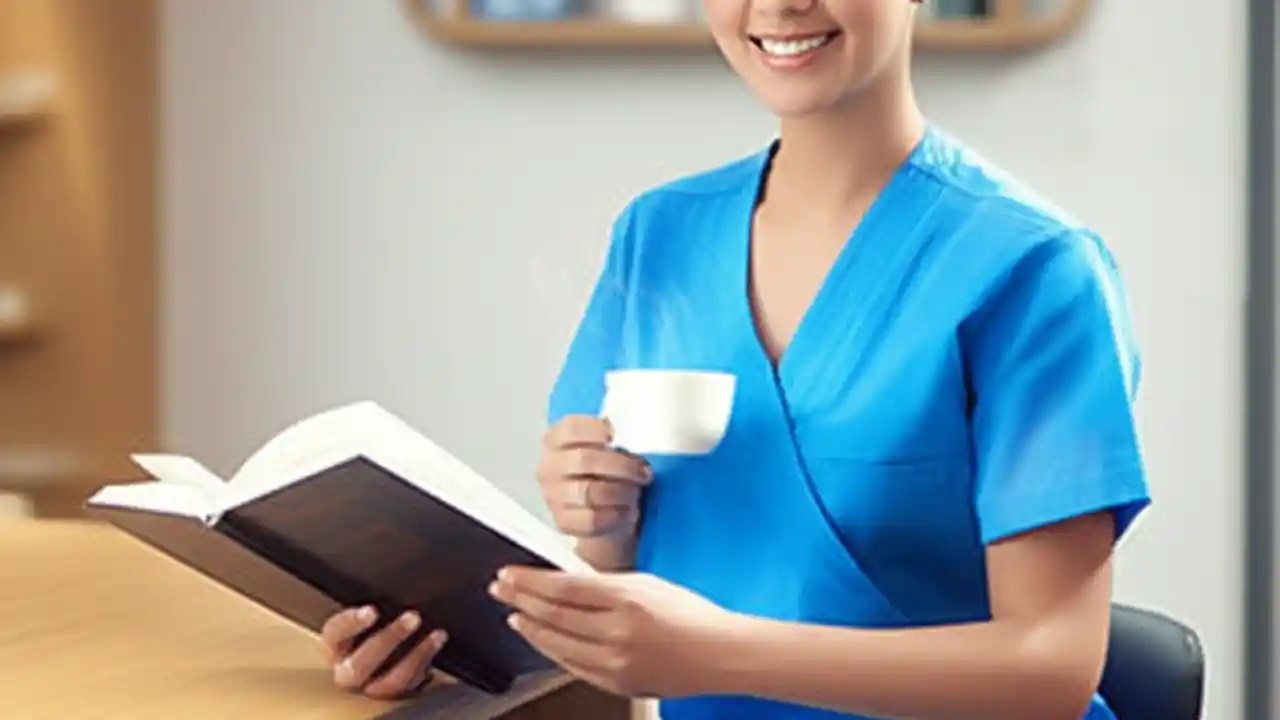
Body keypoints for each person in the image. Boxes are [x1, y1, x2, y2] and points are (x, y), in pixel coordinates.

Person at [320, 1, 1152, 718]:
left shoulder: (1034, 270)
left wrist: (715, 655)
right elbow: (616, 581)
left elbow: (1050, 668)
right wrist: (444, 647)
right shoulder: (660, 235)